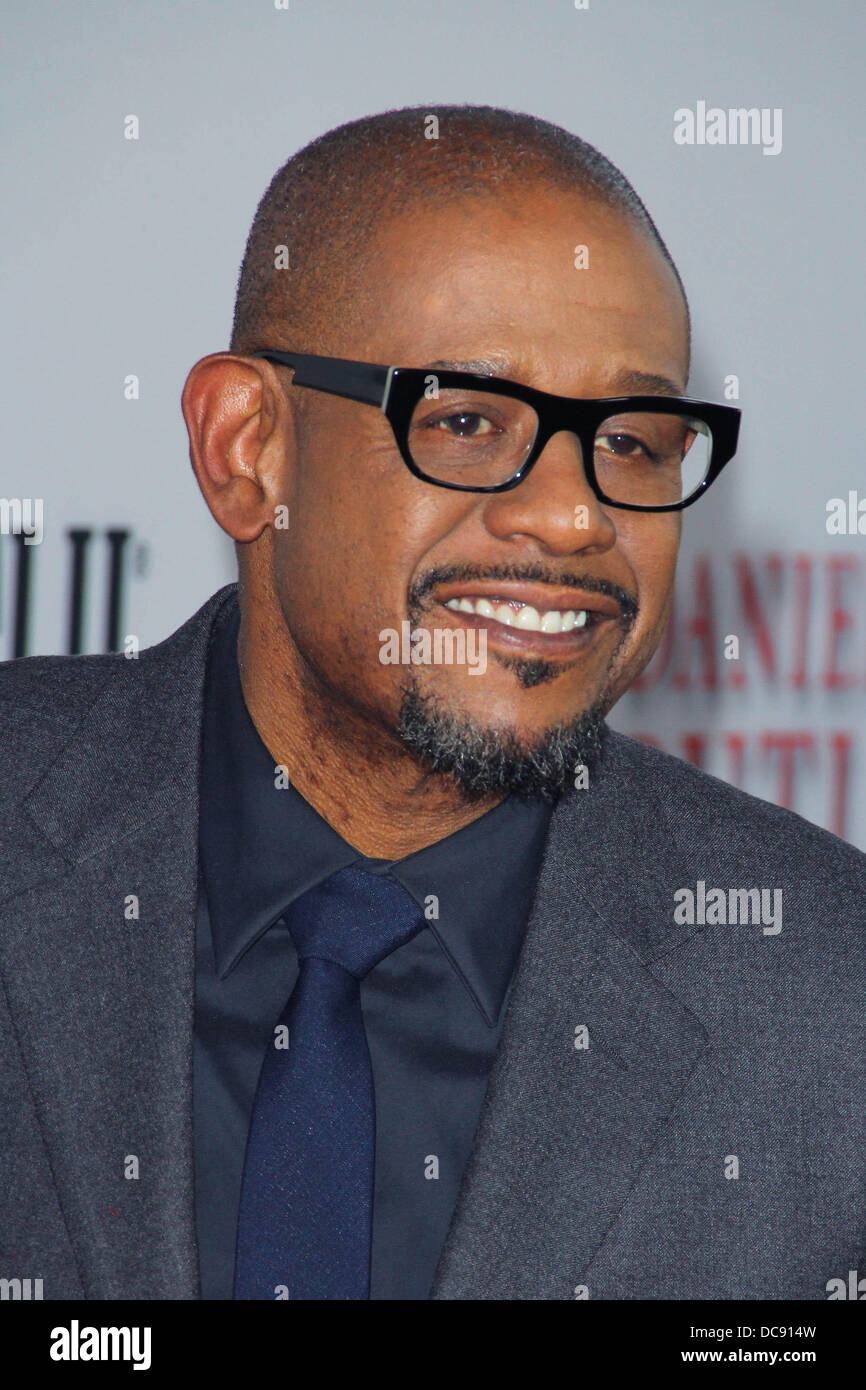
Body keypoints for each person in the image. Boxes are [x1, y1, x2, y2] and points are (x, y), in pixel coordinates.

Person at [1, 104, 863, 1302]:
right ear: (249, 447)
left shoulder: (827, 996)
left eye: (634, 442)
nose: (573, 516)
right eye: (465, 422)